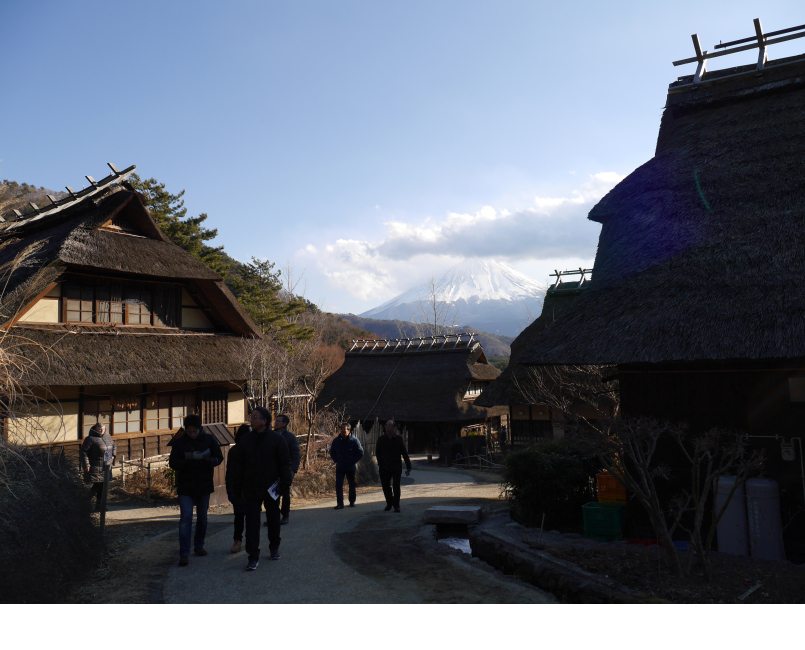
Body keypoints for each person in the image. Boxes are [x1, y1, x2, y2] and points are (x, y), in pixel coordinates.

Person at [228, 406, 291, 571]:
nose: (251, 419)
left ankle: (274, 546)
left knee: (273, 519)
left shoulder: (277, 440)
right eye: (251, 416)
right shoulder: (246, 440)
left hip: (272, 487)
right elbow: (239, 466)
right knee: (252, 523)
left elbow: (285, 464)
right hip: (251, 487)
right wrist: (237, 487)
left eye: (255, 417)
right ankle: (252, 555)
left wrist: (285, 484)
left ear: (264, 420)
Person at [168, 414, 223, 567]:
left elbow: (219, 457)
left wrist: (208, 461)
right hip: (185, 485)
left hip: (204, 484)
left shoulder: (209, 440)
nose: (192, 434)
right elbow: (173, 462)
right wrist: (187, 462)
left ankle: (199, 545)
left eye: (194, 431)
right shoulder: (179, 442)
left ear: (200, 429)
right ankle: (184, 553)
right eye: (189, 432)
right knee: (185, 518)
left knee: (202, 518)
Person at [225, 423, 251, 554]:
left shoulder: (254, 449)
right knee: (241, 516)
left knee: (242, 517)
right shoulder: (234, 452)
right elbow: (230, 472)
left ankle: (241, 541)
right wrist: (230, 489)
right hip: (239, 488)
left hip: (248, 488)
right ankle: (239, 540)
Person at [375, 420, 411, 513]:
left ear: (394, 428)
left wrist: (408, 466)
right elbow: (377, 453)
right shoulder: (381, 439)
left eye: (390, 426)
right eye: (386, 426)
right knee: (386, 486)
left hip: (396, 466)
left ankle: (396, 505)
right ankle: (389, 503)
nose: (388, 427)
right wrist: (380, 463)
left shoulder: (398, 439)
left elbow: (404, 453)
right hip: (384, 466)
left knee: (396, 486)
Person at [80, 423, 116, 512]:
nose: (102, 430)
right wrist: (86, 465)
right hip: (95, 466)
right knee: (97, 485)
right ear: (95, 429)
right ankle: (84, 503)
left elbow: (114, 445)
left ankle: (99, 506)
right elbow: (83, 452)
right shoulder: (90, 439)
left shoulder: (107, 437)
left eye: (103, 429)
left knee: (103, 487)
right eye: (100, 429)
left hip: (106, 466)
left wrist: (113, 455)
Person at [329, 423, 364, 509]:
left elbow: (360, 452)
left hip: (350, 466)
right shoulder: (336, 441)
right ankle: (340, 503)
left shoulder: (354, 440)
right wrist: (336, 460)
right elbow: (332, 451)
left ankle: (352, 501)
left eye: (345, 429)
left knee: (351, 484)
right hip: (340, 466)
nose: (343, 431)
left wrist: (353, 461)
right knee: (339, 484)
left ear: (349, 430)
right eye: (342, 429)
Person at [273, 414, 301, 525]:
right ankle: (273, 516)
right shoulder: (271, 435)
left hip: (286, 469)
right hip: (273, 469)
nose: (276, 423)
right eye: (276, 420)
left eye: (279, 421)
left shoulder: (290, 437)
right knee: (272, 494)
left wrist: (293, 470)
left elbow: (296, 455)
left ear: (284, 424)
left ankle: (285, 515)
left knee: (285, 493)